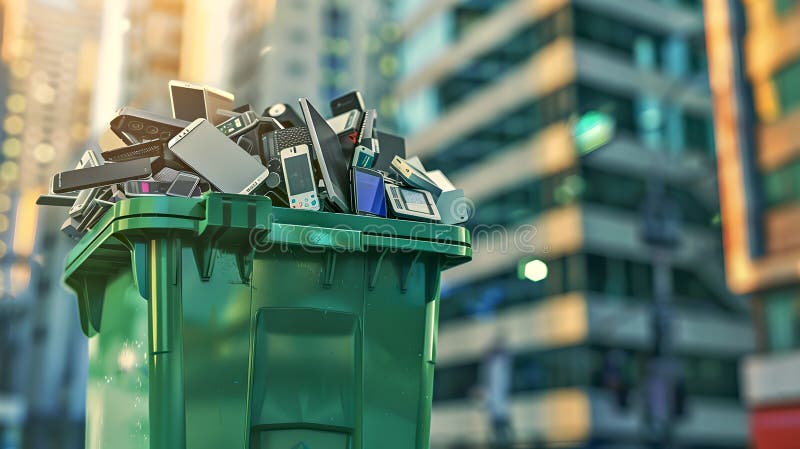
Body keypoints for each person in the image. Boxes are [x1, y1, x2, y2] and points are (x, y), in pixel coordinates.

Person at [481, 335, 513, 448]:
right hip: (497, 408)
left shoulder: (501, 361)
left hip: (499, 408)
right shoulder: (492, 364)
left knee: (502, 432)